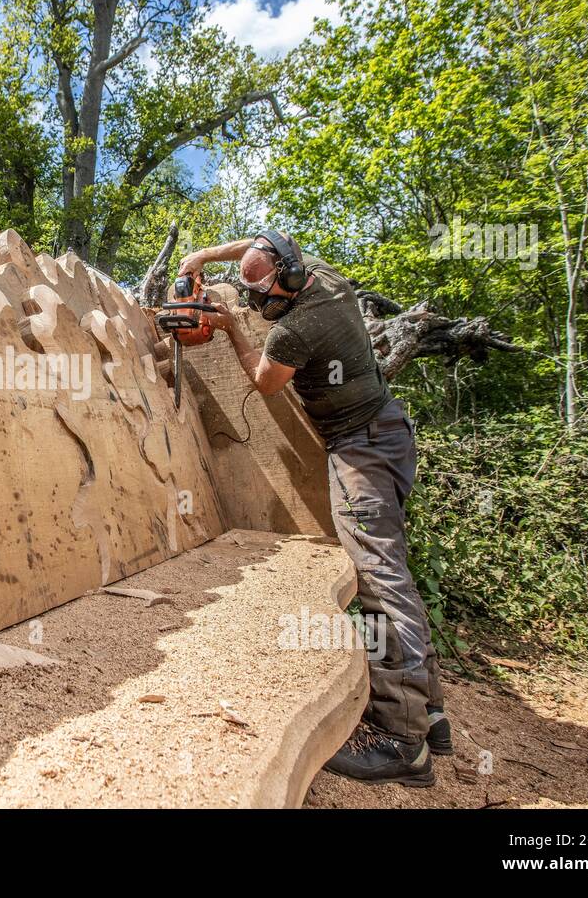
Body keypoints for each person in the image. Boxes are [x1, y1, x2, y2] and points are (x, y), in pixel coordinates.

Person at [177, 230, 451, 787]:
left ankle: (403, 741)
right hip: (386, 433)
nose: (260, 308)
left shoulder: (297, 330)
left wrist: (230, 327)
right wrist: (202, 257)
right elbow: (256, 242)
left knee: (377, 581)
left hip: (361, 449)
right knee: (391, 569)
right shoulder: (318, 271)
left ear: (290, 279)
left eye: (264, 300)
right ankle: (432, 716)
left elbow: (265, 382)